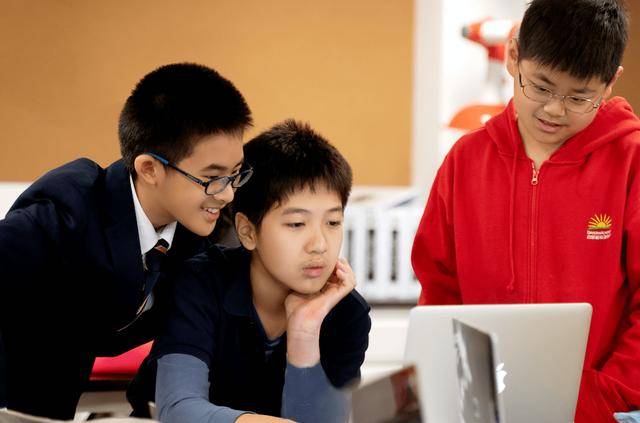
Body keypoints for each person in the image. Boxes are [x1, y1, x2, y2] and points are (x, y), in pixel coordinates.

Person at [411, 0, 640, 421]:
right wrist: (461, 390)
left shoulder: (631, 161)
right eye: (541, 87)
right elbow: (440, 293)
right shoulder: (465, 161)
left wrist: (598, 399)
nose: (554, 109)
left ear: (610, 83)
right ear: (514, 56)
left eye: (579, 97)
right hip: (485, 407)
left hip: (604, 410)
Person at [0, 62, 253, 419]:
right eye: (211, 178)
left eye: (235, 174)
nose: (226, 194)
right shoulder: (63, 216)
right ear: (149, 169)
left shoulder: (205, 230)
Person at [128, 120, 371, 422]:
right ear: (247, 231)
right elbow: (178, 409)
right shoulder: (200, 283)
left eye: (333, 222)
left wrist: (304, 333)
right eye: (296, 224)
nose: (320, 245)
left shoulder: (347, 312)